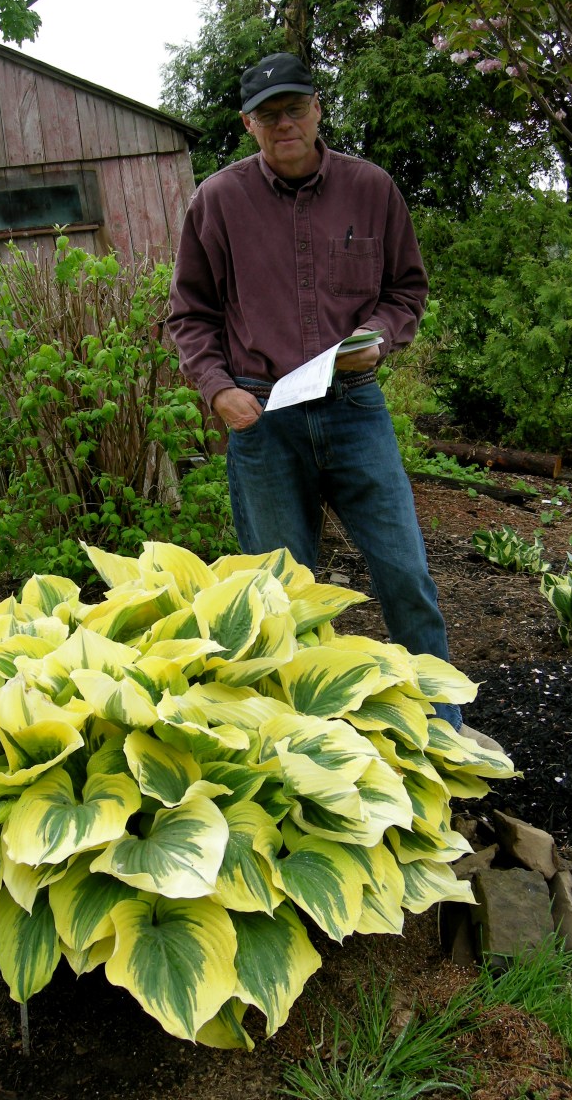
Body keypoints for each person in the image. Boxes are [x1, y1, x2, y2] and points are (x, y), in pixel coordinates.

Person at [167, 51, 467, 730]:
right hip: (262, 415)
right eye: (268, 114)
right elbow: (190, 314)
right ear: (248, 124)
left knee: (405, 576)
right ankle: (303, 744)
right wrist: (216, 391)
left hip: (353, 408)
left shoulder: (372, 190)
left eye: (294, 108)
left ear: (318, 109)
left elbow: (406, 291)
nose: (284, 124)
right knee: (282, 596)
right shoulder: (217, 202)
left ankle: (445, 733)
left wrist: (381, 338)